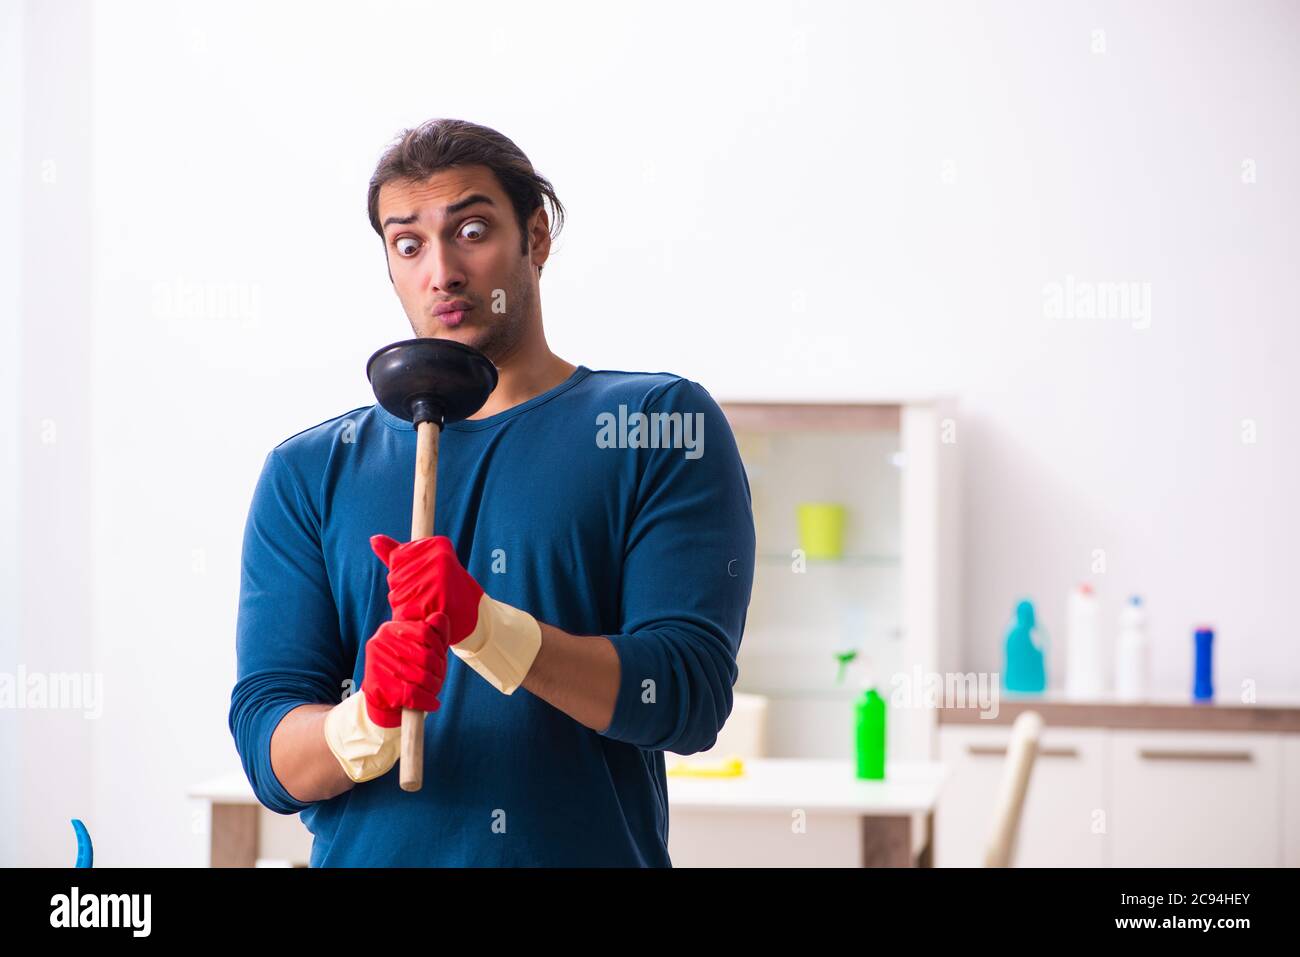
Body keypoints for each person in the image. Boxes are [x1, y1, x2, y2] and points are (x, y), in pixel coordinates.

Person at [228, 118, 755, 866]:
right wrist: (369, 716)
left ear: (535, 237)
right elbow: (269, 751)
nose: (440, 270)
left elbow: (685, 695)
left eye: (471, 230)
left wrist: (484, 627)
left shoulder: (656, 424)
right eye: (408, 244)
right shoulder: (310, 469)